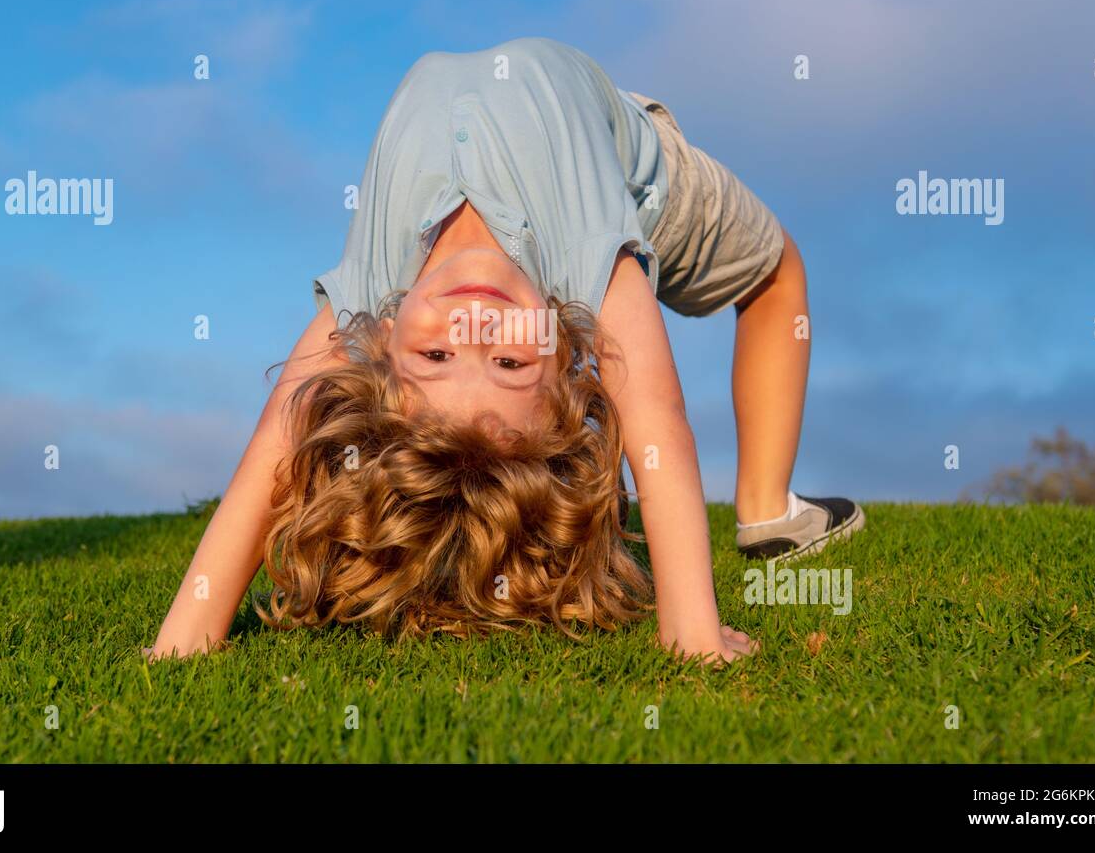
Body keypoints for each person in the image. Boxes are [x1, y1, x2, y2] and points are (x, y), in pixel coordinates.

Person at [150, 37, 863, 666]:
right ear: (565, 360)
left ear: (383, 350)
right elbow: (656, 422)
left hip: (598, 113)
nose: (473, 331)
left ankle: (767, 504)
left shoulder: (373, 290)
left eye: (435, 360)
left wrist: (185, 635)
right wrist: (691, 630)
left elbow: (269, 453)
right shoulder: (588, 262)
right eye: (510, 363)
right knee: (777, 276)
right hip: (640, 171)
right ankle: (768, 509)